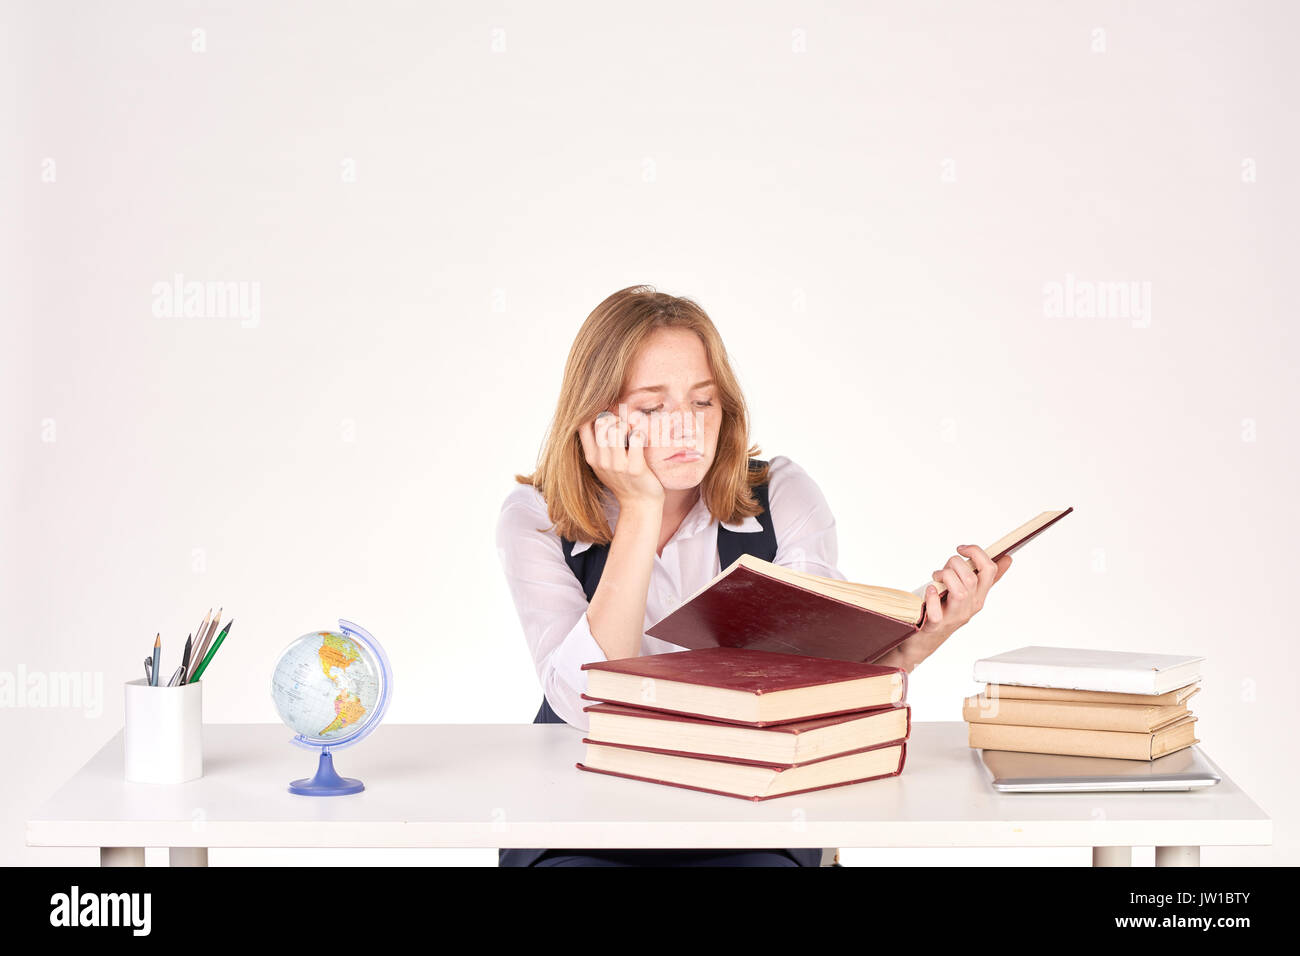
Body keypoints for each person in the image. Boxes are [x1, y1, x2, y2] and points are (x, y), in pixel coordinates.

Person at [496, 285, 1012, 866]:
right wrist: (639, 509)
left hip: (753, 801)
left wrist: (920, 639)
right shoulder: (538, 517)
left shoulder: (780, 494)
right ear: (597, 421)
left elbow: (816, 682)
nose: (685, 429)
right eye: (651, 406)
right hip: (586, 804)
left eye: (702, 402)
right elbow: (582, 700)